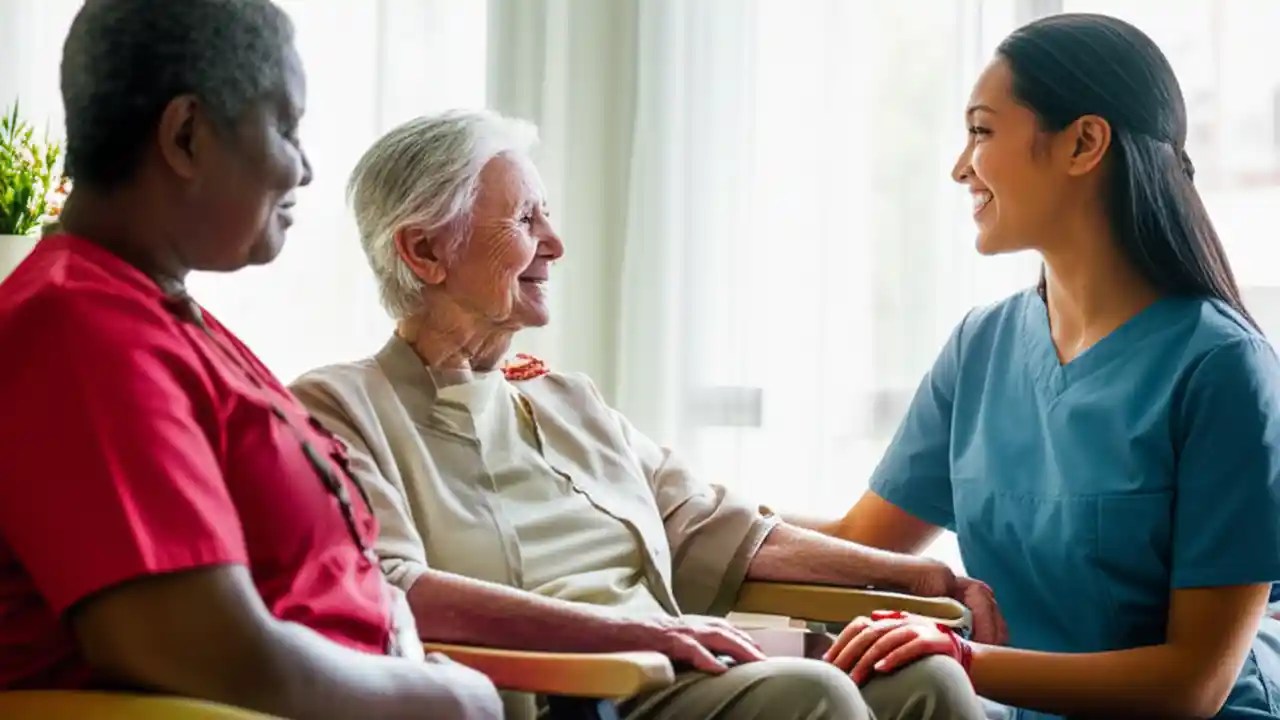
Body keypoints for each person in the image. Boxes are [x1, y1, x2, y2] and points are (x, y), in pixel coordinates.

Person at [290, 109, 998, 720]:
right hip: (569, 690)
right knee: (812, 698)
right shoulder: (340, 407)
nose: (556, 244)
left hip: (669, 660)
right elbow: (392, 588)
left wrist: (918, 578)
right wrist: (635, 635)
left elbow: (719, 528)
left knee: (923, 677)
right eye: (524, 219)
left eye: (548, 215)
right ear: (424, 250)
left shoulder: (566, 400)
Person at [0, 2, 501, 718]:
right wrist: (448, 701)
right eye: (287, 127)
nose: (303, 166)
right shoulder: (75, 329)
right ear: (187, 135)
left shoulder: (163, 317)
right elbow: (193, 646)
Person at [813, 13, 1280, 720]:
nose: (960, 166)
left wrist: (963, 658)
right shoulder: (983, 346)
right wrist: (660, 511)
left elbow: (1193, 685)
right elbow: (855, 545)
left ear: (1084, 142)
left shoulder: (1222, 369)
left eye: (981, 130)